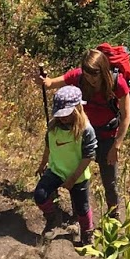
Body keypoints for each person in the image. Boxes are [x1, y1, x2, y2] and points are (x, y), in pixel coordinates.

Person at [40, 47, 130, 217]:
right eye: (87, 75)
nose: (90, 79)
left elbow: (126, 117)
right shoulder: (79, 76)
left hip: (107, 137)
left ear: (103, 70)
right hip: (81, 135)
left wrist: (116, 145)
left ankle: (113, 214)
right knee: (76, 174)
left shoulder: (117, 83)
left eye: (94, 75)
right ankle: (80, 211)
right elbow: (53, 83)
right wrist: (45, 82)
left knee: (109, 182)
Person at [33, 85, 97, 247]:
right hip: (56, 170)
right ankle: (53, 218)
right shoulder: (53, 126)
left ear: (77, 109)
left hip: (78, 175)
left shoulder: (86, 130)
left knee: (82, 208)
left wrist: (73, 179)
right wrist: (42, 164)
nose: (62, 118)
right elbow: (49, 146)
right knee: (40, 195)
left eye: (66, 114)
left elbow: (88, 156)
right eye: (59, 114)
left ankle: (87, 232)